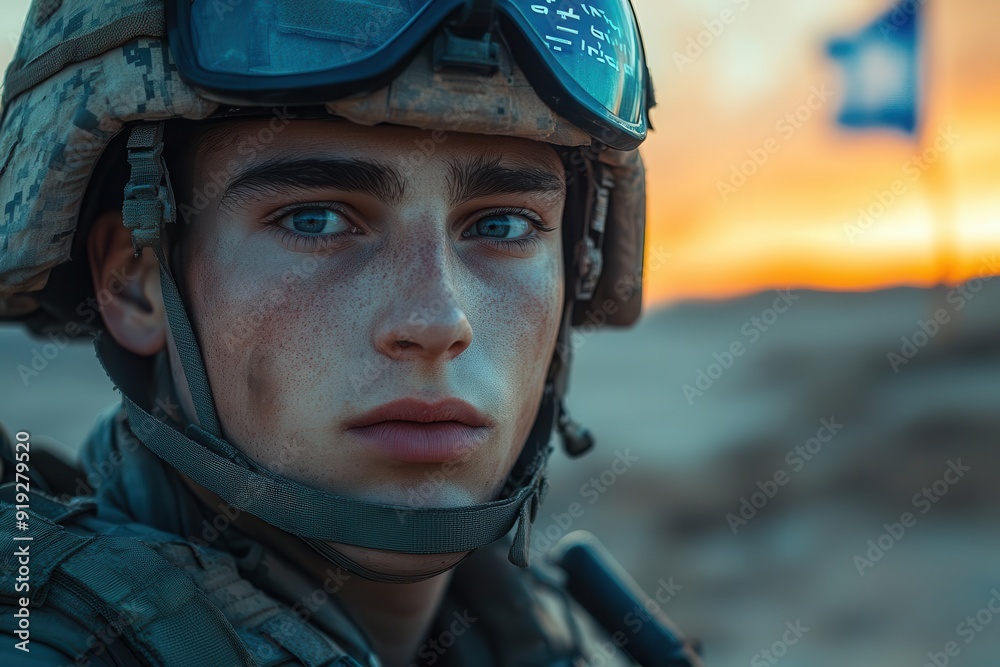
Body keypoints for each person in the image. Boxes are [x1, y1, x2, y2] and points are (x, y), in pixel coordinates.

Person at [0, 0, 699, 664]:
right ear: (136, 279)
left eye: (502, 225)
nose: (436, 322)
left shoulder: (569, 635)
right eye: (316, 220)